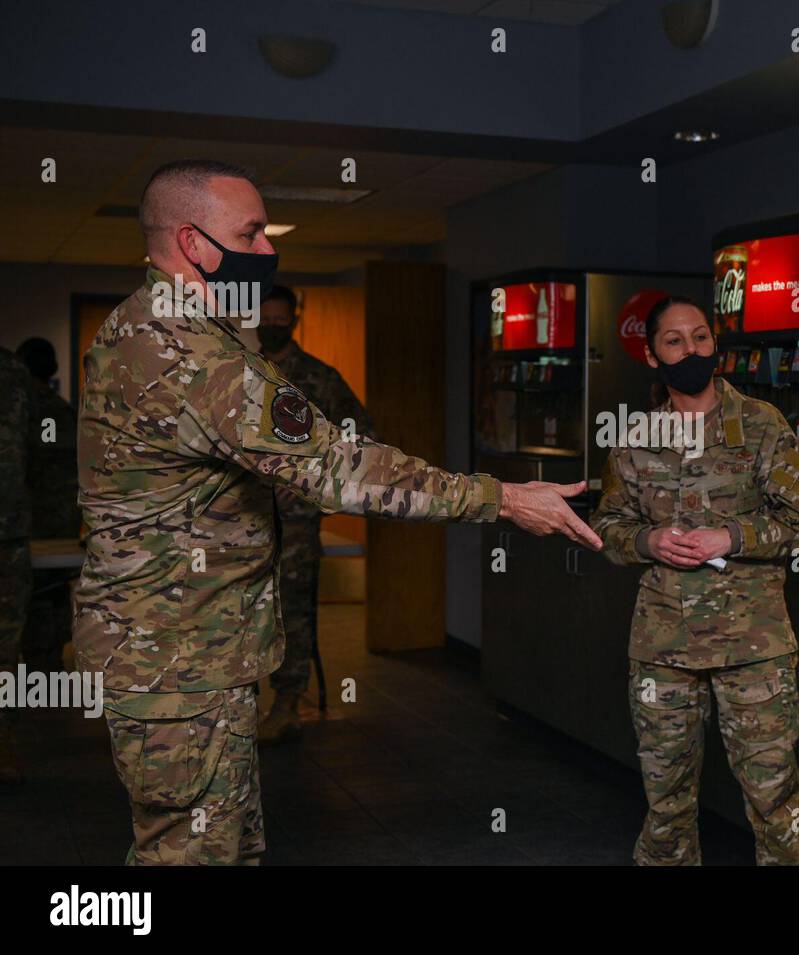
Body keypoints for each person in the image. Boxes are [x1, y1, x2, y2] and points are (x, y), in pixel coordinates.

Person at [75, 158, 600, 865]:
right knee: (187, 854)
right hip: (177, 663)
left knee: (225, 844)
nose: (268, 251)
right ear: (195, 243)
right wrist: (502, 497)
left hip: (187, 650)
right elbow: (339, 466)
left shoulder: (157, 325)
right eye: (253, 233)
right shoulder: (188, 355)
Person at [592, 296, 799, 865]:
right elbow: (608, 527)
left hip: (753, 647)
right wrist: (647, 542)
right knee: (666, 806)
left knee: (776, 805)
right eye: (674, 341)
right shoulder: (634, 437)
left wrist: (732, 538)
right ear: (652, 356)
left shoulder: (760, 425)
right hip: (663, 648)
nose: (691, 349)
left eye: (701, 337)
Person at [254, 286, 377, 744]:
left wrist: (319, 481)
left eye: (280, 318)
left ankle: (287, 704)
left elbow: (361, 437)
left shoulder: (319, 378)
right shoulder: (241, 372)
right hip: (240, 520)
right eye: (265, 316)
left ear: (294, 320)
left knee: (293, 613)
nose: (272, 324)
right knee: (244, 611)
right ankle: (239, 703)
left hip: (296, 521)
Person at [16, 337, 80, 675]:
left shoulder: (40, 410)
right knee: (53, 591)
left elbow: (45, 454)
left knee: (40, 592)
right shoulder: (57, 407)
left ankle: (44, 666)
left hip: (40, 516)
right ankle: (49, 663)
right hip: (61, 514)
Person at [0, 346, 39, 784]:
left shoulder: (13, 372)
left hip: (7, 528)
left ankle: (3, 737)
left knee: (6, 645)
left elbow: (37, 442)